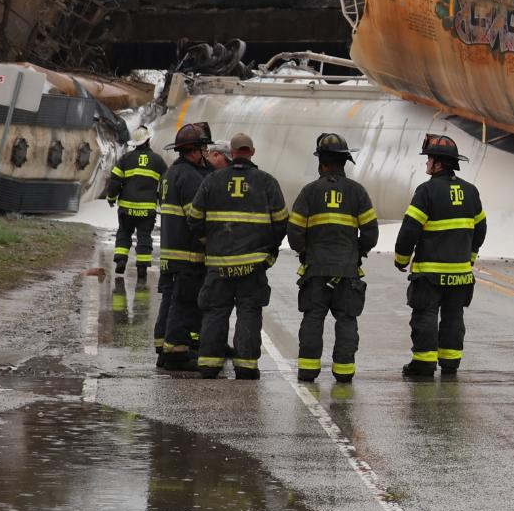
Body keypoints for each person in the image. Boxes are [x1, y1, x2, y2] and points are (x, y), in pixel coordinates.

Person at [187, 132, 287, 380]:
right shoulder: (267, 182)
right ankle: (246, 366)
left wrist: (208, 243)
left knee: (215, 311)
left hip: (219, 263)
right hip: (253, 266)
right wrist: (269, 253)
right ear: (251, 152)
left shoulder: (212, 181)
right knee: (249, 312)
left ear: (232, 153)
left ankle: (209, 364)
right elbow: (282, 223)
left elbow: (194, 218)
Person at [286, 133, 379, 384]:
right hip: (348, 271)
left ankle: (307, 371)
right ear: (344, 162)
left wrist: (304, 252)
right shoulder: (357, 192)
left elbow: (294, 230)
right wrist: (357, 252)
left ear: (322, 163)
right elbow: (371, 232)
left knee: (313, 318)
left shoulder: (309, 192)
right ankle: (344, 372)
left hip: (315, 270)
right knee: (347, 320)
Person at [392, 133, 485, 379]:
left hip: (430, 273)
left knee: (426, 315)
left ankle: (423, 364)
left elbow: (410, 228)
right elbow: (481, 228)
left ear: (438, 163)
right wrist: (470, 257)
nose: (426, 164)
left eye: (429, 159)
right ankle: (450, 363)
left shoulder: (426, 191)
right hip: (461, 275)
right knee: (454, 316)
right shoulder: (470, 191)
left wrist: (401, 259)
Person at [155, 122, 216, 372]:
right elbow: (197, 219)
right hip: (188, 254)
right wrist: (212, 245)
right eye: (203, 148)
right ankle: (176, 354)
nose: (206, 153)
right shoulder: (190, 177)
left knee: (170, 301)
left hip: (171, 252)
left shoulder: (171, 173)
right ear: (194, 150)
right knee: (184, 304)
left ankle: (163, 347)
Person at [105, 126, 166, 276]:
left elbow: (115, 181)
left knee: (124, 233)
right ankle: (142, 267)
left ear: (135, 143)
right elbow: (166, 183)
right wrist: (163, 203)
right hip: (147, 210)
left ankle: (121, 260)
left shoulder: (126, 159)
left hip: (126, 207)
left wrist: (111, 198)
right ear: (149, 140)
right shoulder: (158, 161)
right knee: (144, 236)